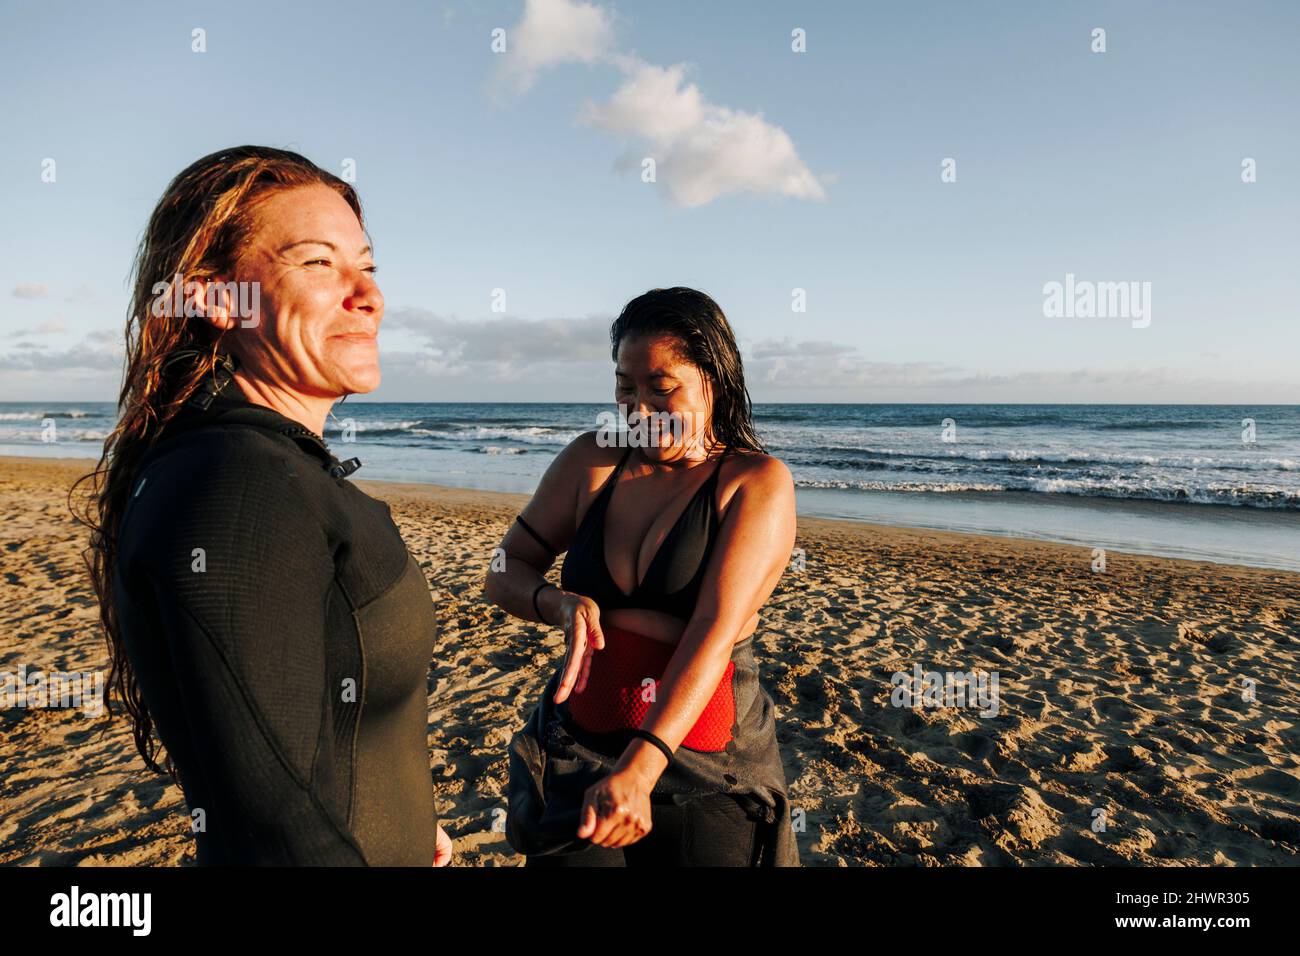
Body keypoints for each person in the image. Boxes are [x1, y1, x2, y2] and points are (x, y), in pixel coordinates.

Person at [75, 146, 451, 866]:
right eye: (318, 263)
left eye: (366, 266)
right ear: (216, 297)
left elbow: (314, 745)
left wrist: (405, 821)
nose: (367, 295)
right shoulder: (239, 487)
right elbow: (275, 829)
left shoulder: (257, 465)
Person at [483, 287, 800, 866]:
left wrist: (643, 762)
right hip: (580, 751)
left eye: (663, 387)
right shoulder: (592, 460)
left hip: (703, 765)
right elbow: (503, 571)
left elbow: (713, 628)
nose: (640, 410)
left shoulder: (754, 482)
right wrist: (553, 602)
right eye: (626, 387)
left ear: (715, 379)